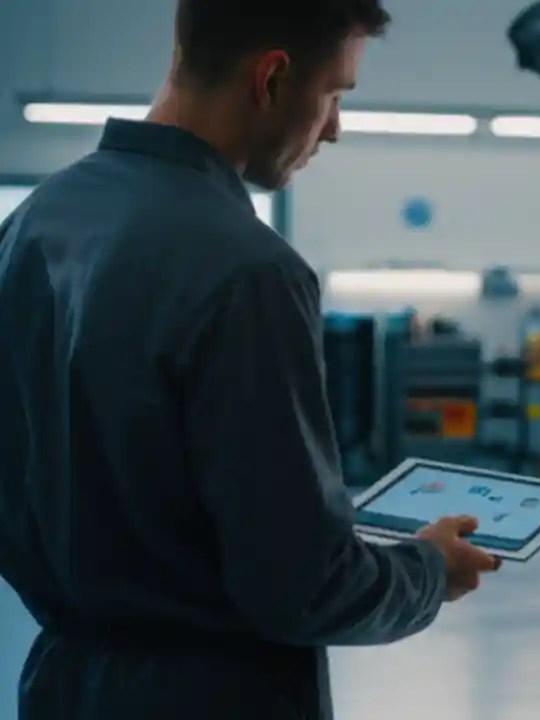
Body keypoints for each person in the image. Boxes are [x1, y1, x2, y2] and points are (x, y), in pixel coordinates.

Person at [0, 1, 500, 718]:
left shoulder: (36, 222)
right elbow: (304, 588)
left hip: (61, 684)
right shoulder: (249, 271)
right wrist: (428, 570)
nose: (334, 127)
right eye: (334, 95)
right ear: (271, 79)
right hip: (214, 696)